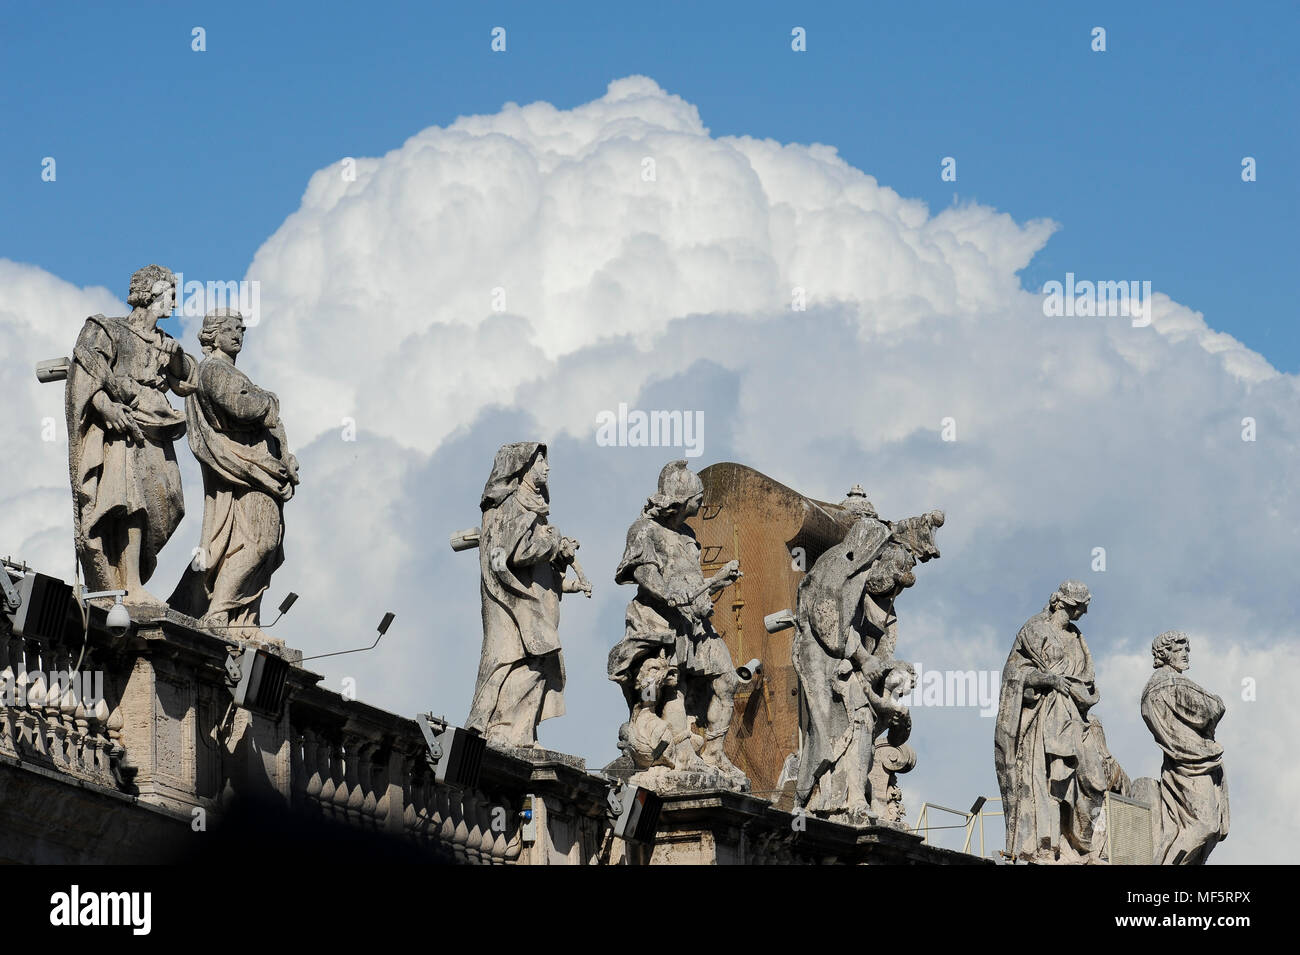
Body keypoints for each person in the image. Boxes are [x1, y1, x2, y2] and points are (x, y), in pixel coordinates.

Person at [607, 460, 746, 786]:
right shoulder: (643, 531)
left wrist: (716, 580)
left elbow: (689, 580)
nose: (701, 502)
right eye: (697, 497)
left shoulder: (686, 534)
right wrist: (668, 593)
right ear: (681, 500)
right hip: (662, 624)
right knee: (673, 685)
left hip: (695, 622)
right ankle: (683, 755)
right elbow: (644, 574)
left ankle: (713, 752)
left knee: (726, 679)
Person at [66, 265, 197, 602]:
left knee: (171, 505)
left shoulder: (166, 342)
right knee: (128, 501)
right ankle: (131, 584)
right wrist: (106, 408)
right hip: (124, 429)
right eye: (171, 294)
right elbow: (87, 372)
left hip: (157, 426)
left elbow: (187, 381)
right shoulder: (109, 329)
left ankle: (134, 577)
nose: (175, 303)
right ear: (153, 291)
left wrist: (177, 355)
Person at [168, 309, 298, 636]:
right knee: (259, 542)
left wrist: (286, 455)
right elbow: (246, 407)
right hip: (245, 469)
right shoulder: (213, 371)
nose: (238, 334)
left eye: (241, 329)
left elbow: (267, 422)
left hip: (263, 469)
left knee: (259, 544)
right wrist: (270, 400)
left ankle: (245, 623)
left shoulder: (232, 373)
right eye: (230, 329)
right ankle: (219, 613)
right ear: (212, 334)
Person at [994, 580, 1130, 863]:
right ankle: (1050, 845)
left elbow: (1086, 680)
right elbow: (1014, 674)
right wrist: (1049, 679)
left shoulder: (1077, 637)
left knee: (1093, 779)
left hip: (1076, 715)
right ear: (1065, 604)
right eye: (1079, 607)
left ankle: (1081, 842)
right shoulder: (1034, 630)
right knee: (1053, 783)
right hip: (1045, 715)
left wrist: (1081, 691)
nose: (1082, 613)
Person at [467, 442, 583, 747]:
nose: (547, 467)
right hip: (515, 608)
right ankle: (503, 731)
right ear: (523, 466)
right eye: (540, 461)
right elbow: (516, 554)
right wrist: (553, 542)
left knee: (538, 665)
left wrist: (565, 576)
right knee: (518, 663)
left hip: (537, 605)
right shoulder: (511, 505)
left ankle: (522, 733)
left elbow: (540, 572)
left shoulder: (535, 508)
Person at [1141, 631, 1229, 865]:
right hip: (1190, 764)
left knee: (1205, 828)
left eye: (1187, 649)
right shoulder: (1167, 685)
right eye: (1181, 650)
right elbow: (1209, 711)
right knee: (1204, 825)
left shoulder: (1165, 685)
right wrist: (1217, 702)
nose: (1186, 655)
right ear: (1165, 653)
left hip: (1190, 762)